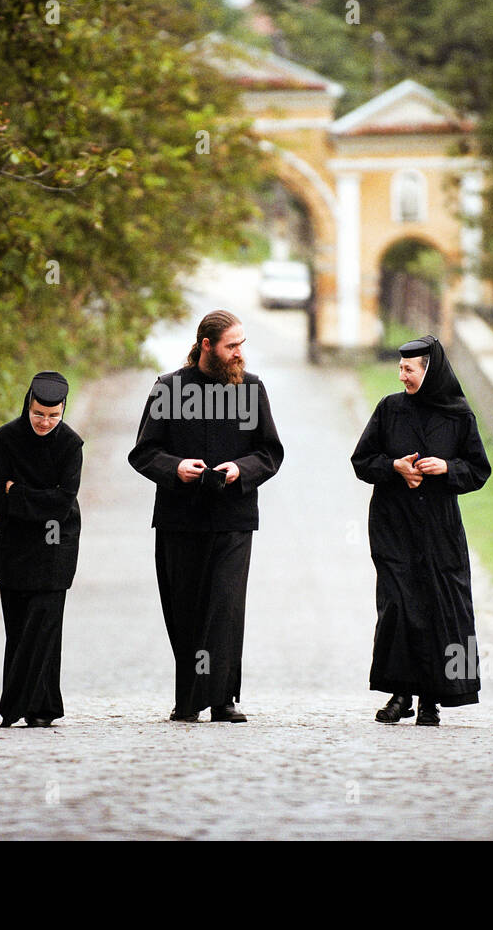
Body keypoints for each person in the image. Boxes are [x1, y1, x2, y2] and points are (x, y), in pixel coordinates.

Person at [128, 310, 284, 723]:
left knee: (225, 607)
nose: (239, 354)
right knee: (185, 608)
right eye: (232, 346)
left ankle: (222, 699)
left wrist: (241, 470)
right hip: (180, 519)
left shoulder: (252, 390)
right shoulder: (168, 389)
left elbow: (270, 453)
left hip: (233, 518)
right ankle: (188, 698)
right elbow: (143, 453)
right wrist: (175, 468)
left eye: (242, 345)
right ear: (206, 346)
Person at [350, 335, 491, 726]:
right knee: (398, 605)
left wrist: (446, 468)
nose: (402, 377)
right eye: (400, 368)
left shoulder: (459, 415)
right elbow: (362, 461)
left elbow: (478, 470)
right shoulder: (390, 409)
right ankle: (400, 694)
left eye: (408, 370)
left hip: (439, 529)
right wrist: (395, 467)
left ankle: (432, 698)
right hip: (393, 525)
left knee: (440, 606)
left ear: (429, 371)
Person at [0, 371, 83, 728]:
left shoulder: (71, 445)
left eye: (54, 416)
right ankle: (27, 705)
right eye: (39, 414)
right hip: (14, 548)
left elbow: (61, 502)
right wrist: (22, 497)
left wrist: (17, 494)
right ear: (28, 405)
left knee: (46, 625)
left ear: (63, 411)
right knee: (20, 626)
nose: (45, 422)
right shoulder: (5, 439)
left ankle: (37, 708)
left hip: (57, 547)